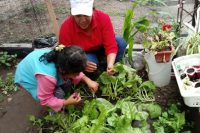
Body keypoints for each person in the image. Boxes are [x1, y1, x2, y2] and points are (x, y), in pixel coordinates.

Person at [14, 45, 99, 112]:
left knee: (67, 83)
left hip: (34, 66)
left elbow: (74, 70)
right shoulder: (47, 77)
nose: (77, 75)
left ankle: (60, 99)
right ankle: (55, 114)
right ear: (63, 70)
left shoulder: (64, 57)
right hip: (26, 78)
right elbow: (45, 99)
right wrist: (66, 103)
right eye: (75, 74)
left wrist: (88, 80)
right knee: (59, 93)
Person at [59, 0, 127, 75]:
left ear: (93, 10)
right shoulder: (66, 27)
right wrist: (82, 64)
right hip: (84, 53)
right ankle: (95, 72)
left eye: (86, 15)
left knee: (120, 42)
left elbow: (110, 45)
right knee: (91, 63)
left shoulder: (103, 18)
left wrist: (110, 64)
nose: (83, 20)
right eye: (78, 16)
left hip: (101, 47)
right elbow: (65, 56)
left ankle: (109, 68)